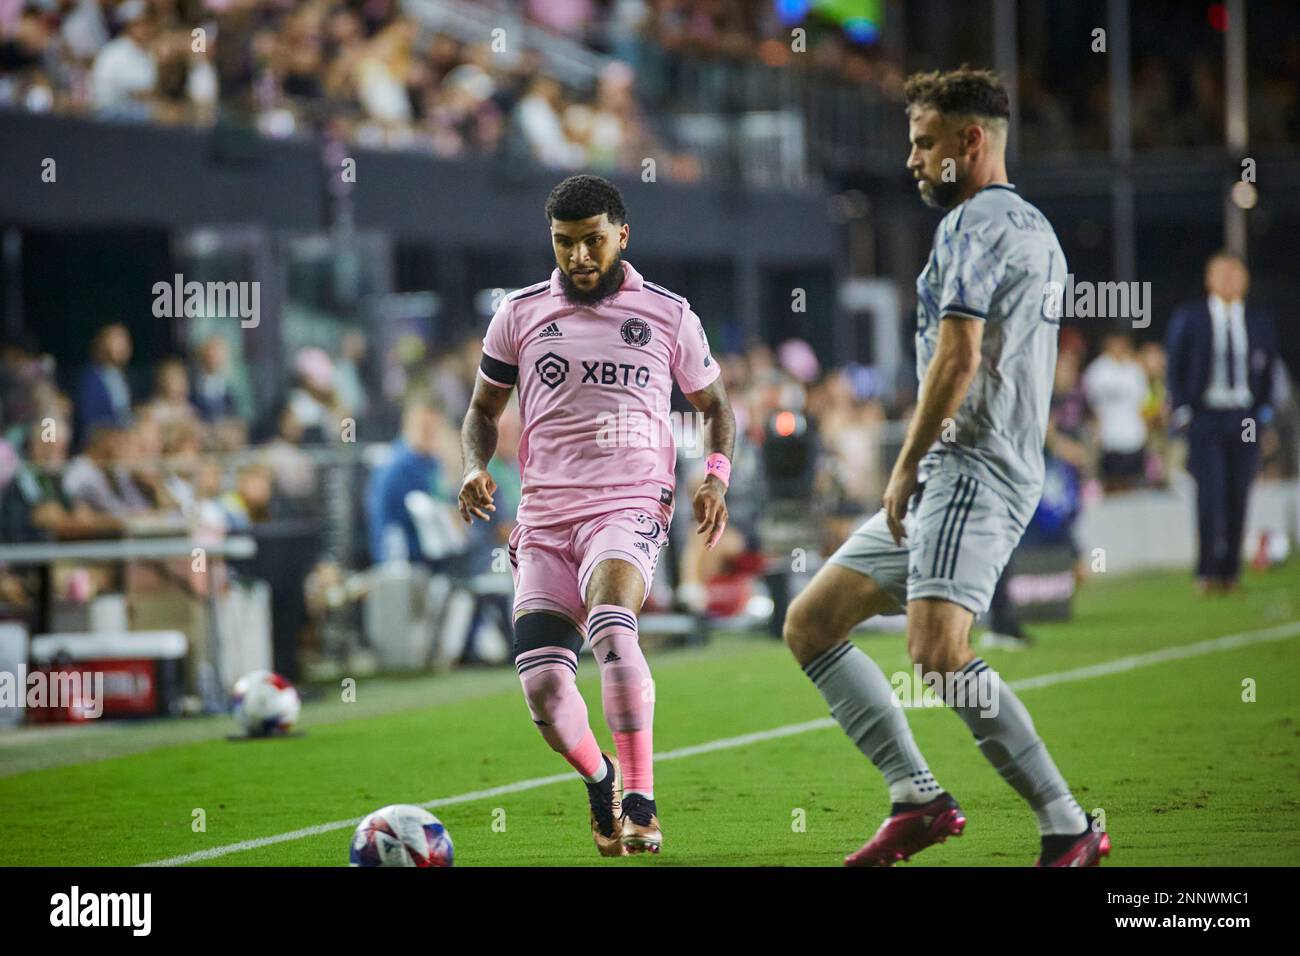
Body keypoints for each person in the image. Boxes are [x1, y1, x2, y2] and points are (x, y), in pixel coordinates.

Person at [781, 68, 1107, 868]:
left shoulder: (971, 224)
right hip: (971, 472)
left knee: (935, 653)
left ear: (971, 142)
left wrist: (904, 466)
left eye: (925, 143)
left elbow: (958, 358)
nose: (913, 161)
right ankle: (916, 798)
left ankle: (1068, 827)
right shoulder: (1035, 228)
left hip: (965, 470)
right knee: (812, 623)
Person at [458, 174, 735, 857]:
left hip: (630, 503)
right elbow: (482, 411)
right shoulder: (518, 314)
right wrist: (474, 466)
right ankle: (601, 778)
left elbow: (717, 407)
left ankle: (641, 799)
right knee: (545, 690)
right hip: (545, 518)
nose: (578, 257)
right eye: (563, 243)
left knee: (614, 624)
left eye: (592, 242)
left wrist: (716, 477)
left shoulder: (669, 313)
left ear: (622, 236)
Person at [1166, 251, 1278, 594]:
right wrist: (1182, 407)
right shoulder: (1192, 316)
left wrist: (1264, 412)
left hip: (1243, 416)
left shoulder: (1257, 320)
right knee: (1210, 491)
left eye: (1235, 273)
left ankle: (1231, 571)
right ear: (1209, 279)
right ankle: (1206, 571)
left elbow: (1269, 368)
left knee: (1238, 491)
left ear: (1244, 279)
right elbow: (1176, 363)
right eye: (1222, 273)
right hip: (1206, 414)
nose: (1229, 280)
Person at [1082, 328, 1149, 494]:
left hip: (1134, 440)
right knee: (1111, 492)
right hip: (1108, 442)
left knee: (1133, 493)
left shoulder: (1135, 370)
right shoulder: (1096, 371)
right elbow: (1091, 409)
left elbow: (1142, 405)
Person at [73, 323, 133, 449]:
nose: (121, 346)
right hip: (100, 442)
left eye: (124, 341)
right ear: (103, 343)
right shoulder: (91, 378)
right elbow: (90, 419)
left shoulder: (121, 377)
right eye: (116, 340)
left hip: (123, 440)